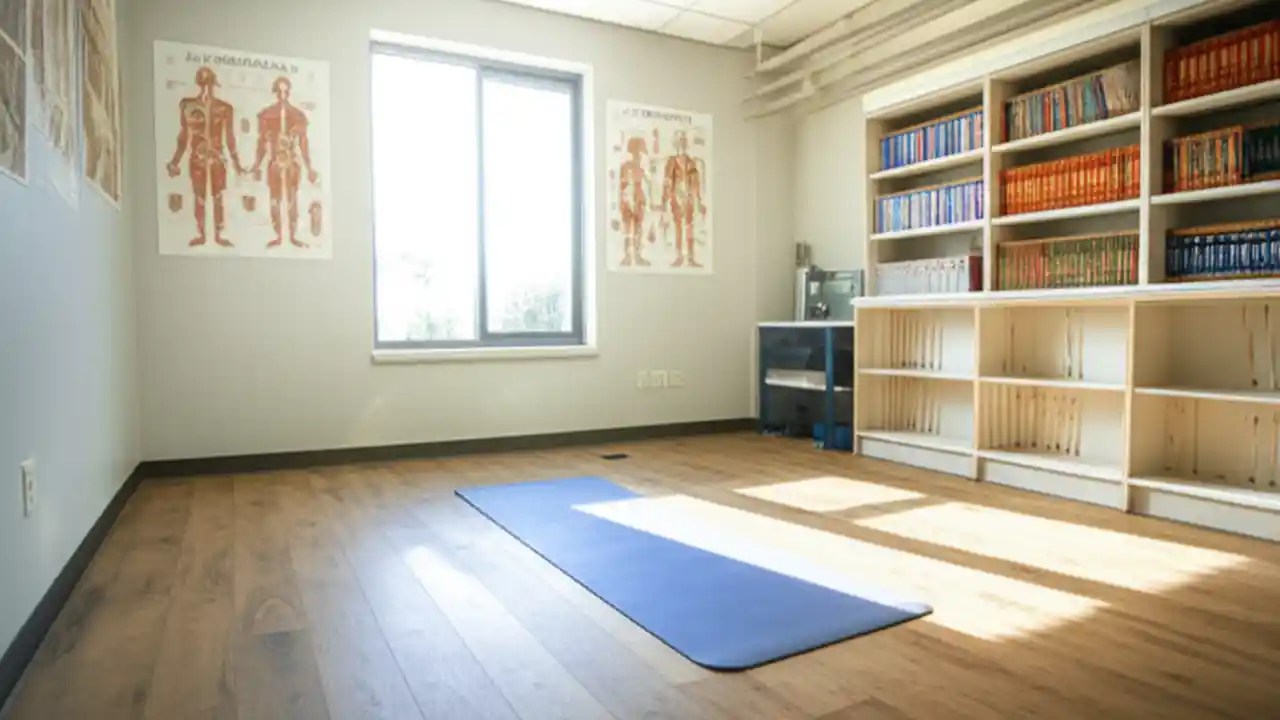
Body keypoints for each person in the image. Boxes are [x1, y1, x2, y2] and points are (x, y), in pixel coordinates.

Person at [166, 66, 244, 247]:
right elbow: (184, 137)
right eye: (204, 82)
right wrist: (175, 161)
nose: (206, 86)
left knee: (217, 196)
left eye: (209, 82)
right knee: (200, 197)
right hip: (198, 157)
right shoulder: (187, 106)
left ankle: (217, 235)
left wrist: (237, 164)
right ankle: (202, 234)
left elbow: (230, 138)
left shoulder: (224, 108)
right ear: (199, 83)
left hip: (217, 157)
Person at [250, 76, 318, 248]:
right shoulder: (267, 115)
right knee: (275, 199)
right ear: (275, 92)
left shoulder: (297, 115)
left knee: (292, 199)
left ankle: (292, 236)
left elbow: (303, 143)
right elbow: (261, 143)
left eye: (285, 91)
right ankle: (279, 236)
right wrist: (256, 165)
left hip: (291, 162)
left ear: (289, 92)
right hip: (275, 162)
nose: (282, 94)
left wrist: (310, 167)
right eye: (279, 91)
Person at [660, 129, 706, 268]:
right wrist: (665, 199)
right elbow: (668, 181)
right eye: (680, 140)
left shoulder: (691, 162)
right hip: (676, 198)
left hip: (689, 199)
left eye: (684, 140)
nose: (683, 143)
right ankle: (679, 256)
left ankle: (690, 258)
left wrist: (698, 200)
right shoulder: (671, 161)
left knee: (689, 227)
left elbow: (695, 182)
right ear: (676, 143)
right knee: (679, 227)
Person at [618, 136, 651, 267]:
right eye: (638, 152)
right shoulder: (626, 167)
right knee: (629, 230)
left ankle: (637, 255)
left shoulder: (642, 170)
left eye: (640, 153)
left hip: (639, 202)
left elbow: (646, 186)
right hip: (628, 201)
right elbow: (622, 186)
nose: (639, 155)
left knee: (638, 229)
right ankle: (627, 255)